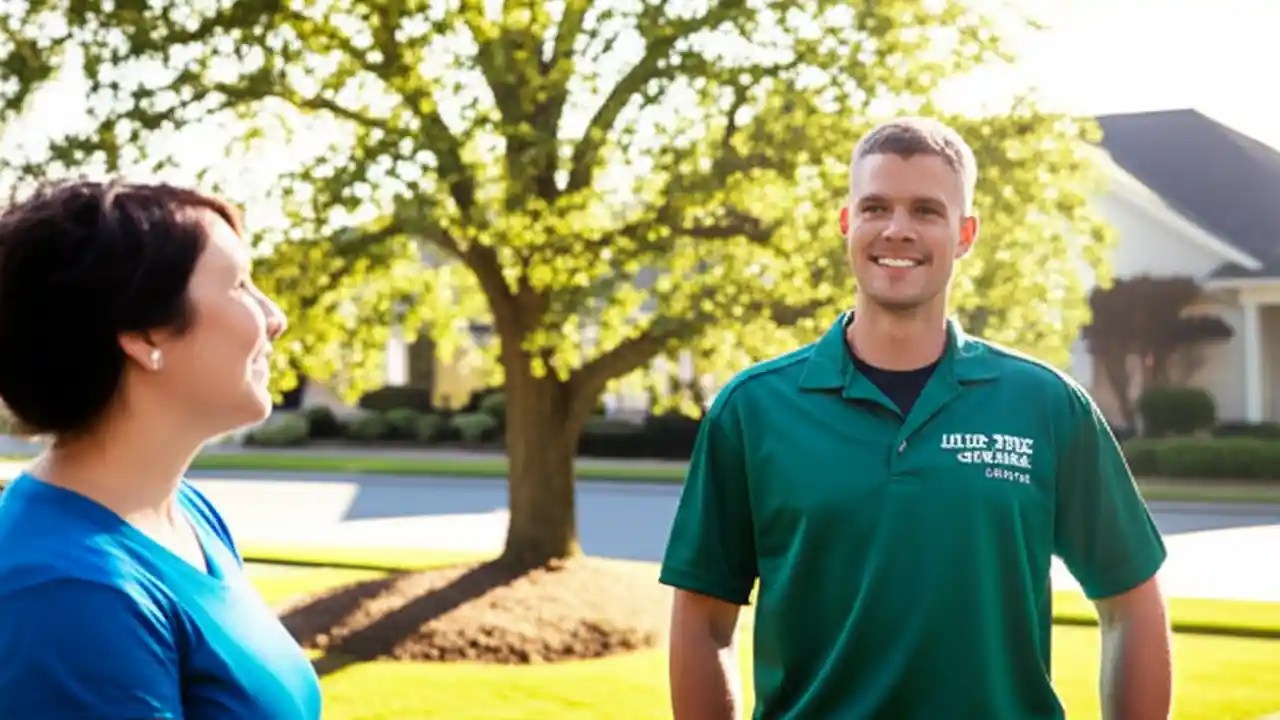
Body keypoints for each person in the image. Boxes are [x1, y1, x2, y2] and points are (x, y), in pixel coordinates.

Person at [660, 117, 1172, 719]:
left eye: (927, 211)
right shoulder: (752, 410)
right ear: (848, 223)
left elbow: (1131, 603)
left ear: (965, 234)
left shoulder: (1046, 405)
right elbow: (702, 618)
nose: (897, 230)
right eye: (876, 208)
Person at [0, 180, 322, 719]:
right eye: (240, 284)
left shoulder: (190, 516)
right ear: (146, 336)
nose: (274, 316)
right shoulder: (70, 592)